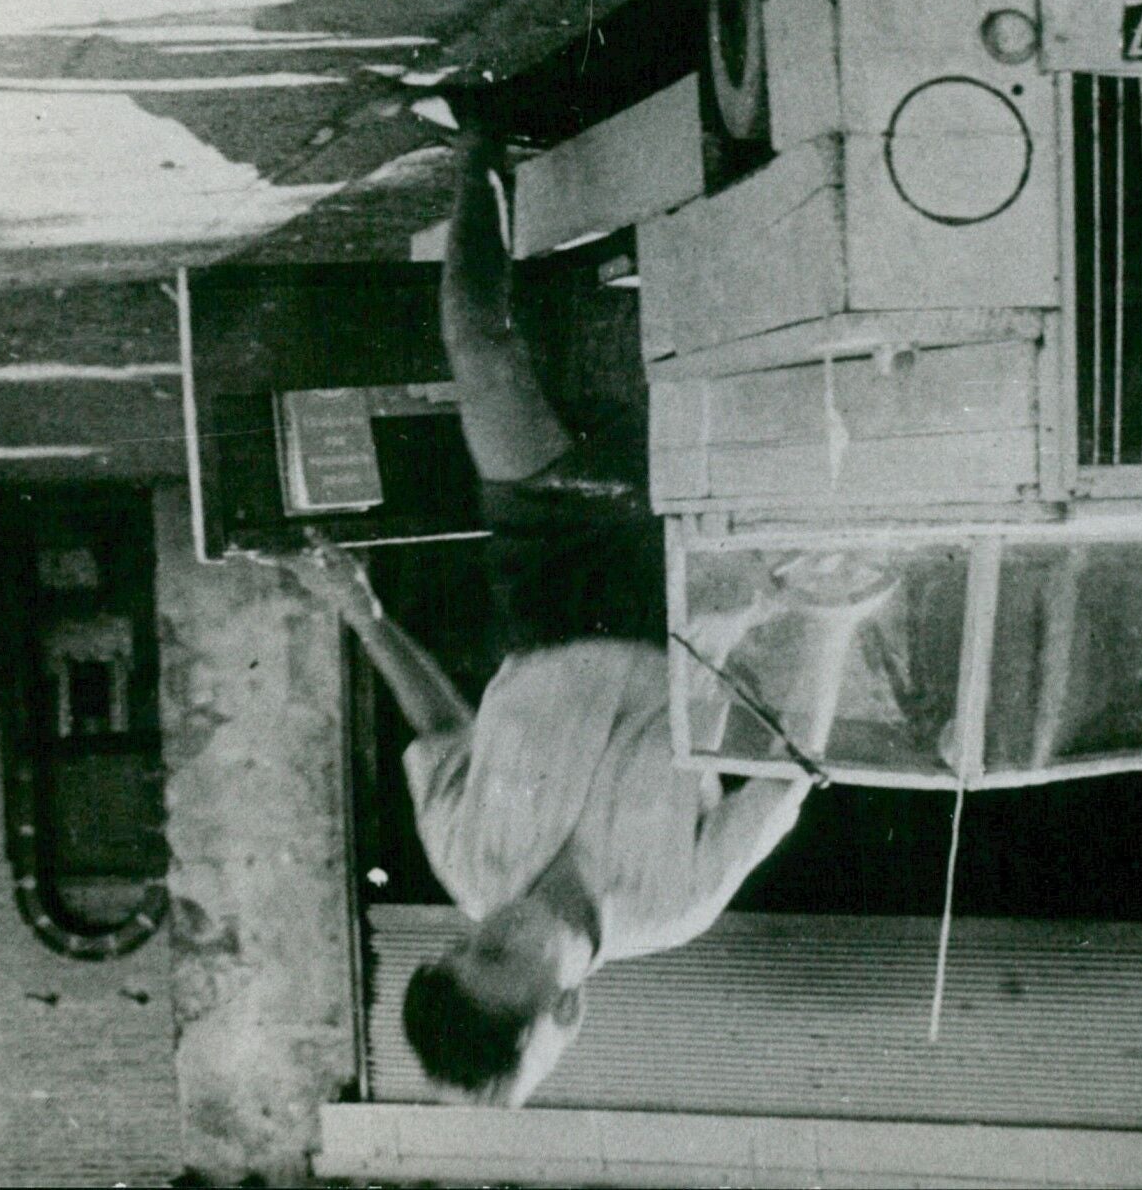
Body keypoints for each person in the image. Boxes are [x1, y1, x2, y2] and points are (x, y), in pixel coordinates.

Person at [281, 117, 814, 1108]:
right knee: (690, 339)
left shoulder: (462, 859)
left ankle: (482, 136)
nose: (497, 922)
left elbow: (442, 727)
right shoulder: (680, 901)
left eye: (473, 940)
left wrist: (360, 612)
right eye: (507, 955)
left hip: (546, 581)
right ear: (563, 1006)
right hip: (683, 597)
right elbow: (791, 765)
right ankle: (739, 132)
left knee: (479, 346)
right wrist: (811, 607)